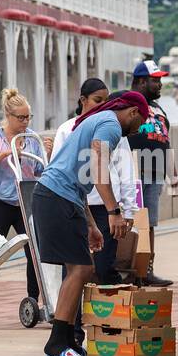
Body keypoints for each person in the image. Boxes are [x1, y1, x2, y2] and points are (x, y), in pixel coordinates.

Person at [32, 90, 149, 356]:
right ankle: (57, 343)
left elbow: (79, 179)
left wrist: (92, 226)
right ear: (132, 111)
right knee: (80, 269)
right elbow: (99, 167)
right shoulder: (110, 125)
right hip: (55, 197)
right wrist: (114, 211)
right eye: (141, 120)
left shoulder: (99, 121)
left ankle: (65, 340)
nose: (140, 127)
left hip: (61, 197)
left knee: (80, 268)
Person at [0, 88, 50, 324]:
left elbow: (39, 171)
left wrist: (47, 153)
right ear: (9, 116)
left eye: (28, 117)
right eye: (21, 118)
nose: (25, 122)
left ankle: (33, 301)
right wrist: (5, 154)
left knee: (34, 252)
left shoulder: (32, 138)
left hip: (25, 201)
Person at [54, 79, 140, 285]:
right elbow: (58, 166)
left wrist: (128, 210)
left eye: (106, 101)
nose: (102, 105)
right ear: (83, 100)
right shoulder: (67, 129)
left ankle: (108, 314)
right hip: (76, 205)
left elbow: (126, 171)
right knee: (74, 267)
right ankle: (72, 316)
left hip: (106, 209)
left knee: (104, 265)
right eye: (97, 100)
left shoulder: (116, 129)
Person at [127, 59, 175, 286]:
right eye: (155, 81)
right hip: (134, 171)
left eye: (160, 80)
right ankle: (128, 269)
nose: (160, 85)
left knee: (151, 224)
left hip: (155, 173)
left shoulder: (159, 109)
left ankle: (146, 271)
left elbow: (166, 140)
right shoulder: (127, 104)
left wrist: (173, 172)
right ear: (140, 81)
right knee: (132, 222)